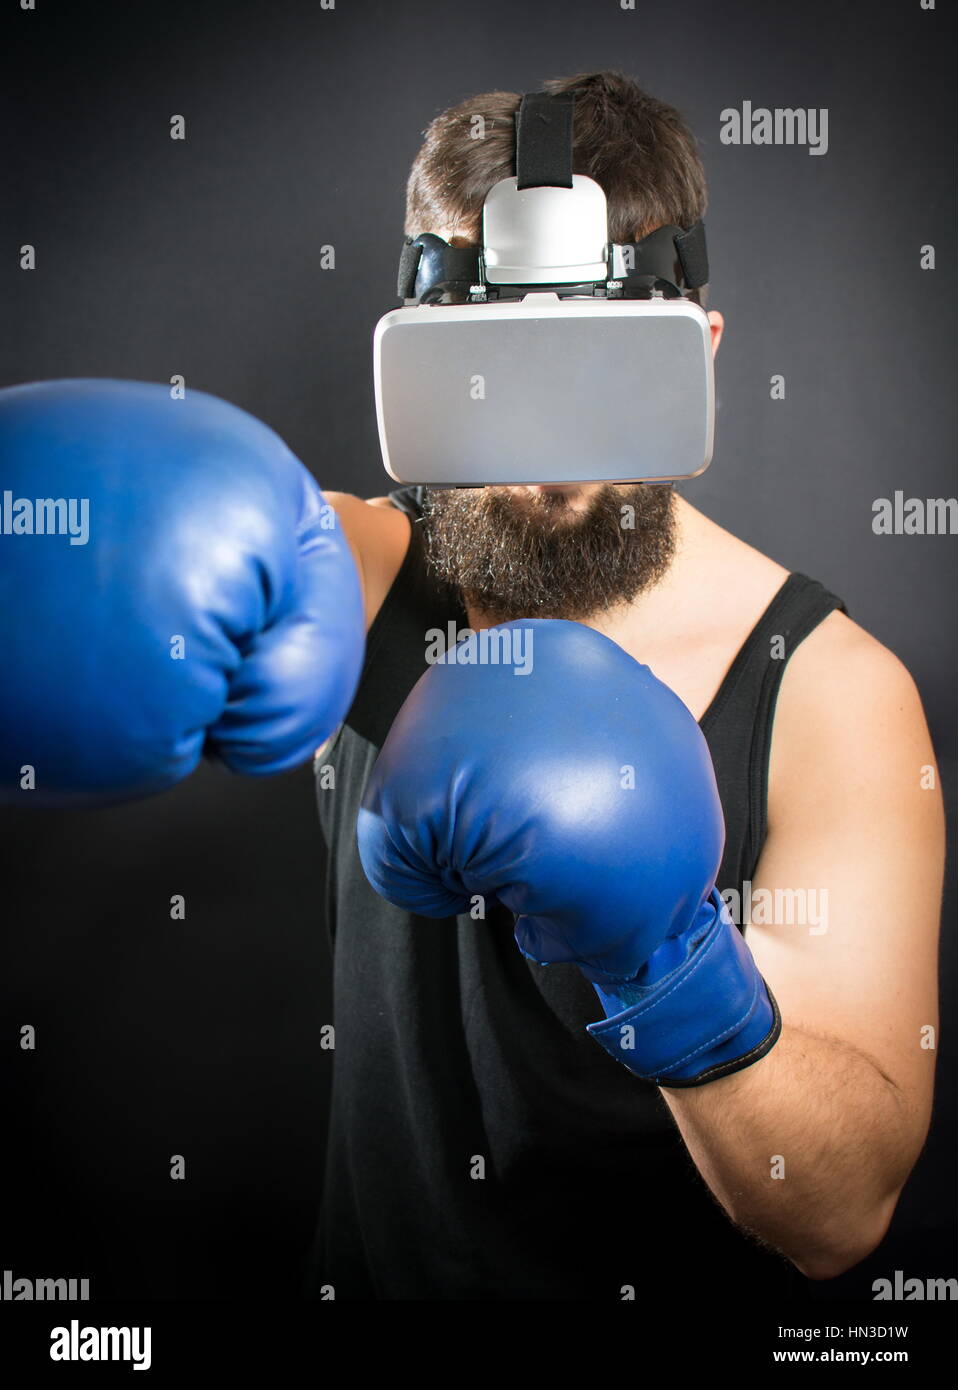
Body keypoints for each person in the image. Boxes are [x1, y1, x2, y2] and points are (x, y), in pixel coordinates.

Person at [305, 70, 943, 1299]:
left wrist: (664, 962)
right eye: (489, 370)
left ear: (697, 356)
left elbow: (840, 1211)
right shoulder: (347, 576)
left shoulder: (830, 697)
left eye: (597, 365)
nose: (542, 451)